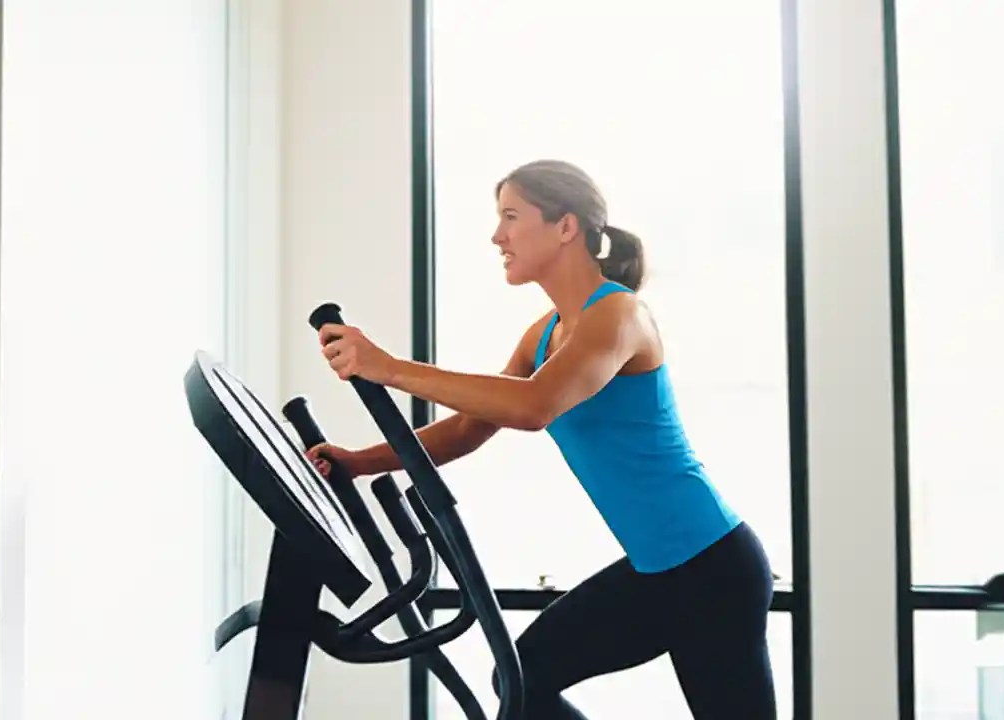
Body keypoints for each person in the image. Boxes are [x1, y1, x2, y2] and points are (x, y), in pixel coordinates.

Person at [306, 159, 777, 719]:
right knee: (523, 682)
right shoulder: (548, 331)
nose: (496, 236)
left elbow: (533, 406)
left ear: (566, 227)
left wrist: (389, 367)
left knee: (525, 681)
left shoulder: (620, 315)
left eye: (510, 216)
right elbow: (468, 427)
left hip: (713, 569)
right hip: (662, 571)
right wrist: (361, 462)